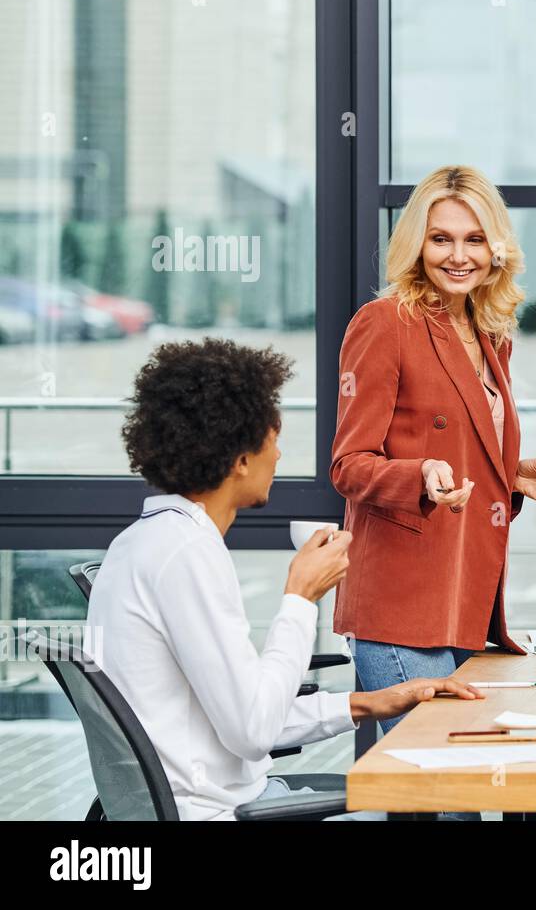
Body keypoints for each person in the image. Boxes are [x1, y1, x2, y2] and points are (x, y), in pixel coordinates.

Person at [88, 339, 484, 821]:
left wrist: (369, 703)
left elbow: (247, 715)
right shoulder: (185, 555)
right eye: (272, 440)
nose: (279, 456)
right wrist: (301, 598)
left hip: (225, 799)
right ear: (239, 460)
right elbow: (253, 729)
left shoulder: (147, 541)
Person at [331, 164, 536, 731]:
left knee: (457, 788)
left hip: (465, 603)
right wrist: (419, 475)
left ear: (496, 248)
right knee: (449, 799)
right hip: (401, 608)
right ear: (417, 243)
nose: (458, 256)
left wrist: (511, 474)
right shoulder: (385, 323)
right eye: (441, 238)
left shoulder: (491, 335)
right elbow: (349, 466)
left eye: (474, 239)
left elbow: (454, 444)